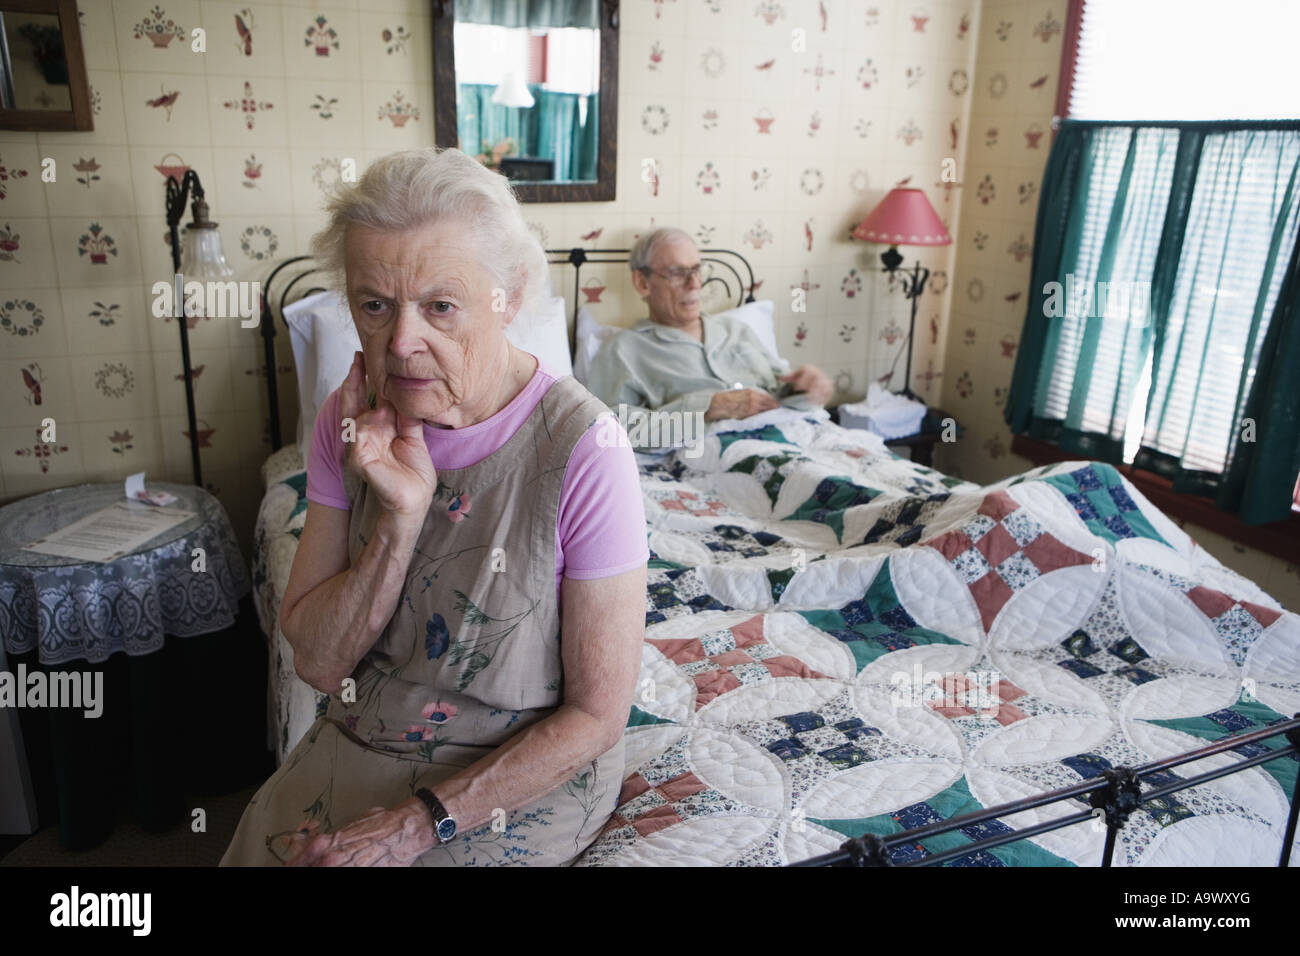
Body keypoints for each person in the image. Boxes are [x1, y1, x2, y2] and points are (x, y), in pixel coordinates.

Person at [220, 147, 648, 867]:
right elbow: (322, 667)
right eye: (374, 306)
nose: (402, 343)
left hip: (512, 778)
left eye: (440, 306)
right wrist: (399, 519)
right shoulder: (344, 422)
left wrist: (417, 825)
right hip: (361, 740)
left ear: (508, 296)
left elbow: (597, 717)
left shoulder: (587, 450)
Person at [585, 228, 833, 451]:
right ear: (642, 283)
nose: (694, 284)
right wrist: (706, 408)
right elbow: (609, 430)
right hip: (725, 455)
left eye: (696, 270)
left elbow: (783, 391)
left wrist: (808, 389)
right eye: (677, 273)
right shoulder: (624, 350)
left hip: (800, 439)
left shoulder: (737, 330)